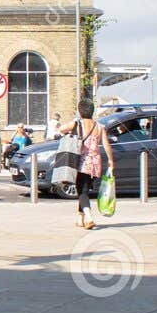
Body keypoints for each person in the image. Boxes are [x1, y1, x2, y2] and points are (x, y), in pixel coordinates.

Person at [61, 99, 114, 230]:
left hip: (81, 162)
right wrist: (111, 161)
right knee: (85, 189)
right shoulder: (100, 126)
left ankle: (89, 217)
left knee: (82, 191)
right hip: (95, 163)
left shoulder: (77, 124)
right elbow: (106, 145)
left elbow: (62, 129)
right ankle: (80, 219)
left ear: (80, 111)